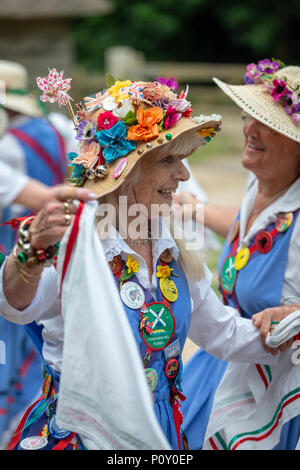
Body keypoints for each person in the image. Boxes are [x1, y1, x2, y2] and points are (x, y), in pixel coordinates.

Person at [0, 73, 298, 451]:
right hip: (86, 437)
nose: (184, 174)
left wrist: (290, 327)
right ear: (125, 171)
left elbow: (223, 333)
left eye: (183, 160)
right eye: (169, 159)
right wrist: (29, 254)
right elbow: (14, 305)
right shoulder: (77, 240)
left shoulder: (170, 246)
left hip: (161, 435)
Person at [176, 59, 300, 450]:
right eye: (250, 116)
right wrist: (194, 209)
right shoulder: (260, 182)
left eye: (272, 125)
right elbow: (250, 226)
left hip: (267, 399)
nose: (250, 129)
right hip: (220, 364)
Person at [0, 60, 70, 447]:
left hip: (20, 246)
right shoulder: (58, 127)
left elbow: (32, 196)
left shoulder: (7, 147)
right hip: (58, 242)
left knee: (10, 339)